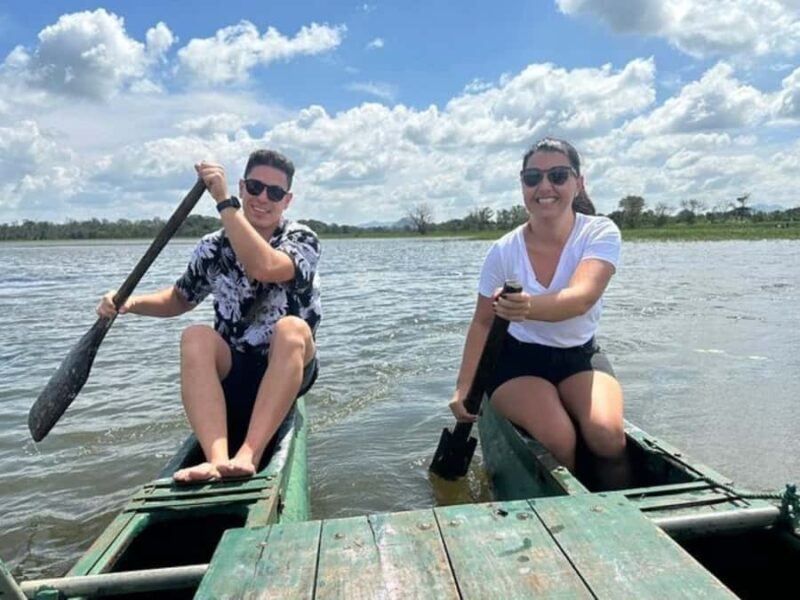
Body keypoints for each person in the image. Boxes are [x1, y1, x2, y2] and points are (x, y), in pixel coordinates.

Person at [97, 149, 321, 483]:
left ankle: (249, 454)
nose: (263, 198)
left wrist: (224, 202)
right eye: (256, 187)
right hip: (235, 368)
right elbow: (179, 298)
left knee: (290, 328)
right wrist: (128, 303)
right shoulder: (212, 247)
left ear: (286, 200)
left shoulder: (301, 238)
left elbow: (265, 267)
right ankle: (215, 460)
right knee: (196, 335)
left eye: (274, 192)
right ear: (244, 187)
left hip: (289, 364)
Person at [449, 137, 626, 487]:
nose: (545, 186)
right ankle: (572, 511)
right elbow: (484, 322)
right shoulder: (503, 251)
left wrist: (524, 306)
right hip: (517, 361)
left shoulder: (600, 231)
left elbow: (580, 298)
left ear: (578, 183)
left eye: (558, 175)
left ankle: (628, 511)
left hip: (580, 356)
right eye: (533, 178)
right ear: (523, 186)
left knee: (607, 436)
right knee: (559, 437)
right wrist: (463, 388)